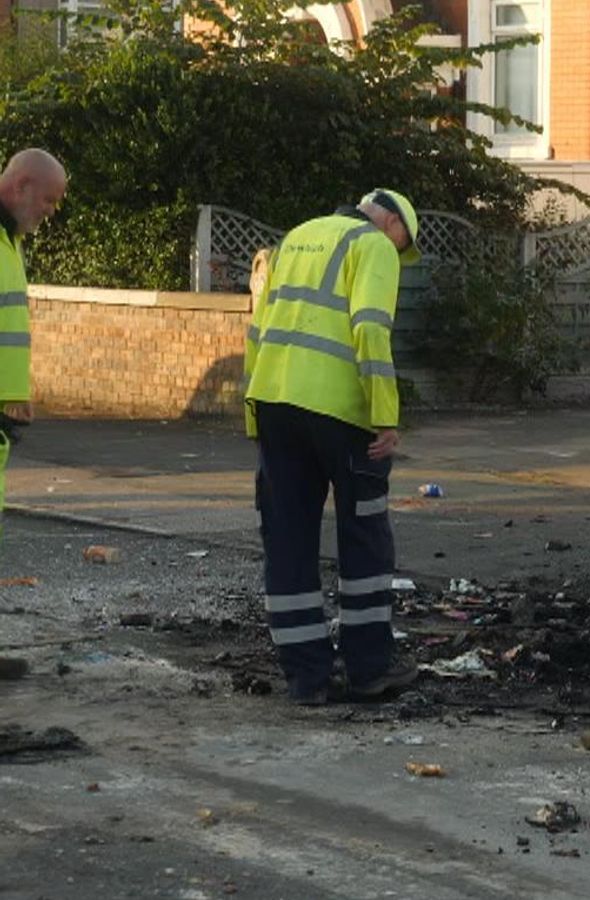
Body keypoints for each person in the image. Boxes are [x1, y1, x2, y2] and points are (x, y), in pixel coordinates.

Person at [244, 189, 423, 705]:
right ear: (389, 221)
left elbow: (258, 326)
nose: (398, 252)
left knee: (288, 540)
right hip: (342, 413)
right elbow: (370, 327)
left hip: (276, 404)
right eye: (401, 240)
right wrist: (385, 416)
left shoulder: (298, 235)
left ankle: (306, 678)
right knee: (364, 536)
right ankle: (367, 671)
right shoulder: (373, 247)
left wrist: (251, 410)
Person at [0, 149, 67, 548]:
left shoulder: (11, 239)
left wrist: (15, 393)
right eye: (49, 199)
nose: (52, 211)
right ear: (22, 185)